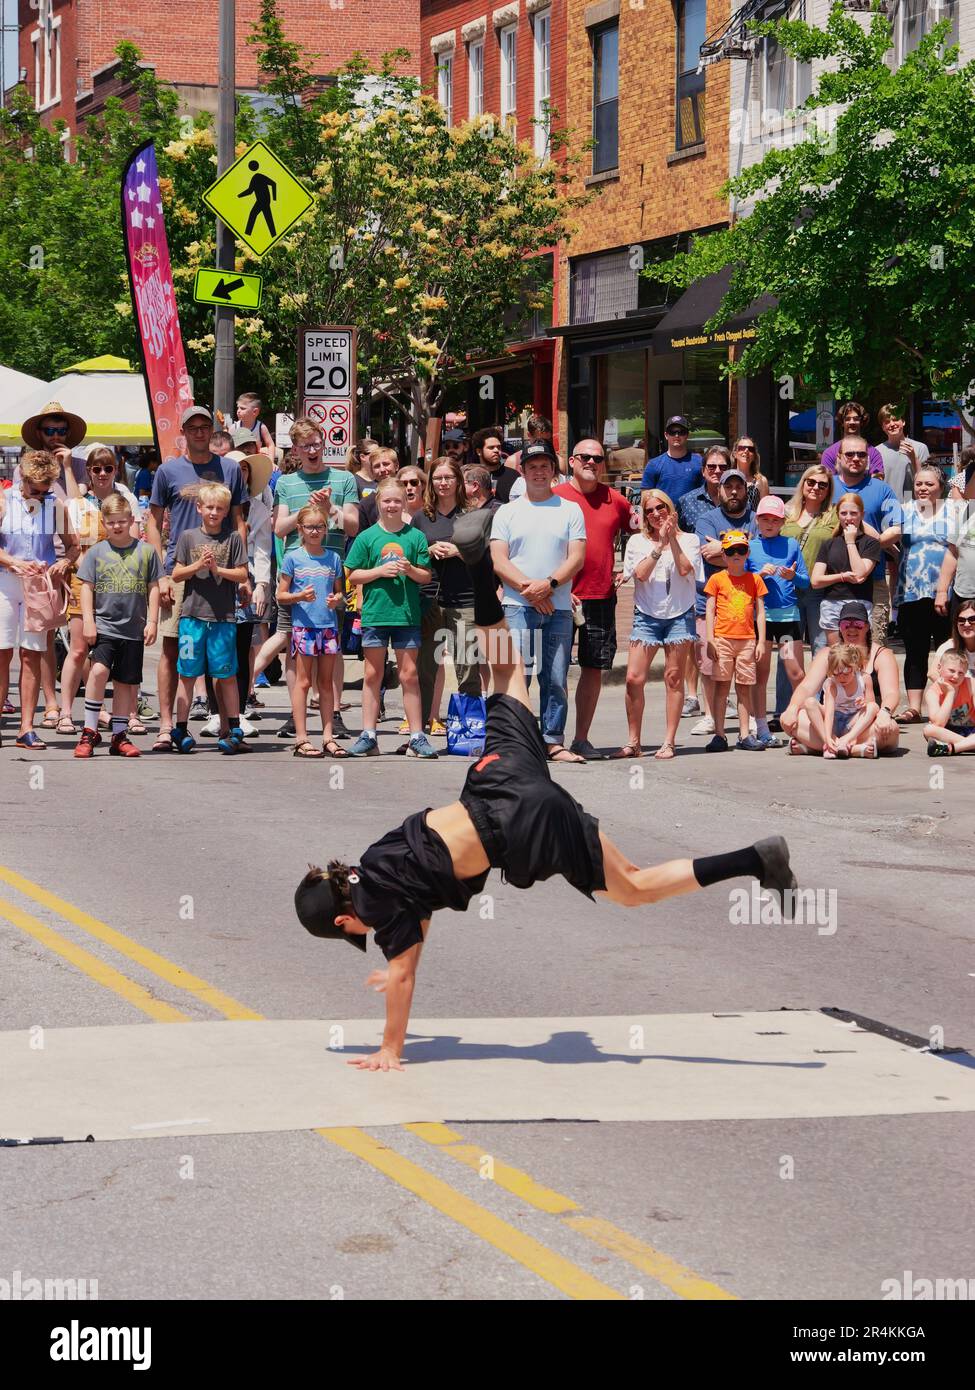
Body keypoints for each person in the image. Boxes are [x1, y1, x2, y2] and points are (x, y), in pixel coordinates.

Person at [292, 517, 796, 1073]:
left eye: (353, 935)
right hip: (491, 779)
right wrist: (395, 959)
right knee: (506, 675)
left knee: (634, 889)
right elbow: (418, 910)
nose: (367, 934)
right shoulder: (378, 862)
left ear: (344, 919)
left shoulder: (377, 906)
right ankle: (482, 568)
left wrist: (391, 1047)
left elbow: (407, 966)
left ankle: (756, 859)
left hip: (520, 821)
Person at [145, 405, 248, 751]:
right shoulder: (168, 471)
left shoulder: (230, 469)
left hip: (224, 570)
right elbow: (154, 521)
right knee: (173, 650)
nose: (200, 432)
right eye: (193, 428)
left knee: (222, 659)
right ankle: (166, 726)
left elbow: (240, 521)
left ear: (212, 432)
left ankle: (226, 729)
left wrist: (245, 576)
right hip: (179, 570)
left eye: (205, 427)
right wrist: (160, 573)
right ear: (184, 432)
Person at [489, 444, 586, 762]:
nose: (540, 471)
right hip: (517, 606)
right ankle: (513, 742)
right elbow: (499, 560)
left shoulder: (569, 509)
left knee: (556, 678)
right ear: (523, 470)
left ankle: (553, 741)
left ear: (554, 471)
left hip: (557, 608)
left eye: (546, 466)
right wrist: (530, 589)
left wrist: (550, 585)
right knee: (517, 677)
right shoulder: (507, 511)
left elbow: (576, 557)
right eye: (533, 466)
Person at [549, 440, 632, 759]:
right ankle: (552, 737)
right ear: (572, 461)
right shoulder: (555, 499)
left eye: (598, 458)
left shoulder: (616, 500)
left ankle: (581, 738)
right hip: (559, 598)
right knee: (554, 671)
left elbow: (641, 531)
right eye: (585, 457)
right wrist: (555, 586)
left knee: (593, 668)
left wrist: (632, 567)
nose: (592, 463)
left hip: (601, 597)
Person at [344, 477, 437, 759]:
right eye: (387, 501)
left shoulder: (415, 537)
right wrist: (377, 573)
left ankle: (417, 736)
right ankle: (368, 735)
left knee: (409, 675)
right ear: (378, 503)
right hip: (375, 614)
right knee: (373, 674)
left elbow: (426, 576)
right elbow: (351, 573)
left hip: (407, 615)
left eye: (398, 500)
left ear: (405, 502)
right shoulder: (367, 537)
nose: (393, 505)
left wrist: (409, 570)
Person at [58, 446, 140, 737]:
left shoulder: (127, 500)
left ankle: (128, 714)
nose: (102, 473)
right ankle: (66, 713)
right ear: (89, 472)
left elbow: (136, 543)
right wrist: (88, 573)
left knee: (125, 652)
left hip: (120, 586)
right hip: (85, 582)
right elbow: (73, 548)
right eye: (96, 469)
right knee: (79, 649)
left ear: (116, 470)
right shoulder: (77, 505)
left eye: (108, 468)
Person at [0, 450, 79, 749]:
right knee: (2, 653)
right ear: (23, 477)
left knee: (32, 654)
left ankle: (26, 728)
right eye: (36, 489)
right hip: (6, 581)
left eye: (46, 490)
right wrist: (12, 562)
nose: (41, 494)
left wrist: (63, 563)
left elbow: (73, 546)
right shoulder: (4, 500)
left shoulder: (54, 505)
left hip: (40, 585)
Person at [615, 489, 700, 759]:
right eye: (649, 510)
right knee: (633, 678)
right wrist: (659, 546)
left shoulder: (690, 539)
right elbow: (639, 574)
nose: (655, 514)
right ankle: (633, 742)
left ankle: (669, 741)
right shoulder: (637, 543)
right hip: (647, 615)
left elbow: (686, 569)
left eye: (660, 507)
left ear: (670, 508)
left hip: (679, 614)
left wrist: (671, 540)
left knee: (674, 678)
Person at [74, 495, 160, 759]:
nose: (117, 526)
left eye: (122, 521)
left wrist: (153, 621)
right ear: (104, 523)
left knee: (125, 682)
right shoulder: (97, 552)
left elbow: (153, 587)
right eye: (111, 522)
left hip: (133, 628)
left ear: (132, 521)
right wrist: (88, 620)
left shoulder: (146, 552)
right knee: (98, 672)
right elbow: (87, 588)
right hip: (105, 626)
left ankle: (119, 735)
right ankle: (89, 730)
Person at [170, 482, 251, 755]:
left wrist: (218, 569)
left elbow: (242, 575)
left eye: (220, 508)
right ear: (199, 508)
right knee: (187, 674)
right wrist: (197, 566)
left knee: (226, 674)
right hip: (192, 618)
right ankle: (180, 727)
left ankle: (235, 726)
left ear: (227, 511)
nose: (214, 512)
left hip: (223, 618)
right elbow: (177, 574)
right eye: (210, 507)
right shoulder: (188, 537)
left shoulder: (233, 539)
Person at [414, 457, 479, 738]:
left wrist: (457, 552)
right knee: (426, 666)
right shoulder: (421, 517)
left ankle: (470, 731)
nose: (443, 483)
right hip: (428, 598)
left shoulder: (471, 514)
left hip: (464, 598)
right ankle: (421, 730)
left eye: (448, 478)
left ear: (458, 482)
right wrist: (429, 551)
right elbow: (412, 555)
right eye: (438, 478)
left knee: (468, 666)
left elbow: (485, 554)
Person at [781, 602, 900, 755]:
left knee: (891, 730)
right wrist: (792, 709)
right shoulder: (828, 653)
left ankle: (816, 747)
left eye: (857, 624)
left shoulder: (882, 655)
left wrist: (884, 713)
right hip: (830, 723)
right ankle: (849, 748)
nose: (851, 628)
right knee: (791, 719)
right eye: (845, 624)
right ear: (840, 627)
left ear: (867, 626)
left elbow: (891, 693)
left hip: (861, 724)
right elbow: (806, 687)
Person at [691, 468, 758, 737]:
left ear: (745, 491)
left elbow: (754, 557)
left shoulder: (755, 519)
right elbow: (708, 556)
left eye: (738, 487)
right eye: (728, 487)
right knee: (710, 664)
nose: (733, 492)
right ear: (719, 491)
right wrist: (741, 550)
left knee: (745, 668)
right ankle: (709, 716)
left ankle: (749, 716)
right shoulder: (707, 519)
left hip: (746, 604)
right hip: (710, 601)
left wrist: (723, 548)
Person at [278, 503, 347, 760]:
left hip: (328, 627)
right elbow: (281, 595)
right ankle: (301, 737)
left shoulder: (334, 558)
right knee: (304, 682)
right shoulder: (293, 557)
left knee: (326, 683)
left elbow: (340, 593)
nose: (315, 531)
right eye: (310, 527)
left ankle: (328, 736)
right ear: (300, 529)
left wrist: (336, 600)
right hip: (304, 628)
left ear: (326, 529)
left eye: (320, 527)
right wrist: (299, 596)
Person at [890, 467, 957, 724]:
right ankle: (915, 708)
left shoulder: (955, 511)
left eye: (928, 484)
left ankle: (947, 706)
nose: (922, 488)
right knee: (914, 650)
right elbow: (888, 539)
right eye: (918, 484)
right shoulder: (905, 510)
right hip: (911, 591)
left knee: (947, 651)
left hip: (946, 592)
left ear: (941, 486)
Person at [747, 495, 809, 747]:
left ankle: (803, 720)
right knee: (760, 674)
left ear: (783, 522)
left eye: (775, 520)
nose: (770, 524)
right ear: (757, 521)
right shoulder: (751, 546)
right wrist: (759, 575)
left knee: (795, 672)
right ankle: (760, 725)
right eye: (765, 519)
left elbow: (806, 582)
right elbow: (741, 583)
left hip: (787, 617)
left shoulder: (791, 544)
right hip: (761, 618)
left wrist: (793, 576)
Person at [676, 444, 731, 719]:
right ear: (703, 470)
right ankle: (691, 695)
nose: (717, 471)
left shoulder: (739, 495)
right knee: (697, 643)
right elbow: (687, 544)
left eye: (722, 466)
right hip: (698, 583)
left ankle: (723, 698)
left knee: (726, 641)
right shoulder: (688, 501)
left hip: (732, 582)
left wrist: (721, 550)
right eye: (712, 467)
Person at [830, 434, 901, 644]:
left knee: (876, 645)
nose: (855, 458)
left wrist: (874, 544)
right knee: (837, 650)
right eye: (850, 454)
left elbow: (896, 529)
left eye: (861, 454)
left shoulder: (883, 490)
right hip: (834, 581)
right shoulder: (825, 487)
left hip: (874, 580)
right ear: (839, 457)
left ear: (868, 458)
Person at [703, 530, 767, 753]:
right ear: (724, 554)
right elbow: (709, 610)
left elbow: (760, 612)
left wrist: (760, 641)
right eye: (731, 551)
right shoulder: (717, 579)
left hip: (747, 640)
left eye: (741, 550)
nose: (736, 554)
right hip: (723, 639)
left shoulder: (755, 579)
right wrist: (710, 639)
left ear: (748, 552)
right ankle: (719, 734)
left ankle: (744, 734)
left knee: (744, 689)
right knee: (721, 688)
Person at [810, 492, 882, 643]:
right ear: (838, 515)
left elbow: (859, 574)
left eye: (853, 513)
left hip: (859, 603)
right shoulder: (829, 544)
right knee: (837, 654)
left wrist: (850, 542)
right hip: (832, 603)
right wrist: (841, 577)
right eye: (843, 513)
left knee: (858, 653)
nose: (848, 518)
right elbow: (816, 581)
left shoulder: (871, 543)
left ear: (862, 514)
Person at [810, 643, 879, 760]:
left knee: (873, 707)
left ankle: (845, 740)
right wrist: (827, 736)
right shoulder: (832, 684)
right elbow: (829, 713)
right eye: (836, 673)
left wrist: (864, 703)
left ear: (855, 666)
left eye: (846, 672)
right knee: (809, 703)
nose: (841, 678)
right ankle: (831, 744)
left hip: (853, 723)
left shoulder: (864, 679)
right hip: (835, 722)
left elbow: (871, 706)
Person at [923, 649, 975, 757]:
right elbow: (939, 723)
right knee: (929, 730)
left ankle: (952, 748)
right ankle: (969, 745)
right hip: (949, 732)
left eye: (961, 673)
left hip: (971, 730)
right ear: (939, 668)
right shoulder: (933, 692)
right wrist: (950, 693)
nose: (956, 676)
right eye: (951, 671)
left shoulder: (971, 684)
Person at [640, 415, 703, 505]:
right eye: (672, 432)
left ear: (687, 435)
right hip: (663, 516)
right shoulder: (653, 464)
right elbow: (645, 496)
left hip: (692, 516)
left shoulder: (699, 462)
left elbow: (707, 491)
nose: (677, 435)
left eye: (681, 432)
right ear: (666, 435)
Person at [875, 405, 929, 502]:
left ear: (903, 422)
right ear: (883, 427)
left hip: (913, 508)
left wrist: (913, 458)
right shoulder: (876, 452)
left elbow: (927, 482)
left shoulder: (920, 448)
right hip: (886, 508)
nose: (892, 424)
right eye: (887, 422)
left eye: (895, 419)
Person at [821, 402, 884, 477]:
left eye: (856, 419)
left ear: (861, 422)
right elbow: (826, 482)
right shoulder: (829, 453)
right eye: (847, 419)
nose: (852, 422)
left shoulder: (873, 453)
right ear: (842, 422)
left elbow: (878, 480)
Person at [473, 427, 520, 503]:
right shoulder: (471, 477)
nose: (496, 450)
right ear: (479, 451)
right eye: (491, 448)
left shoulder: (514, 476)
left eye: (498, 447)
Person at [932, 599, 975, 680]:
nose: (966, 624)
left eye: (972, 619)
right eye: (961, 620)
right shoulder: (950, 645)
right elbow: (932, 673)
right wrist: (952, 688)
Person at [732, 437, 769, 506]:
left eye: (751, 449)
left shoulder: (761, 481)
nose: (746, 451)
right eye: (742, 448)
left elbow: (764, 510)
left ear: (754, 456)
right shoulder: (727, 478)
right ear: (735, 454)